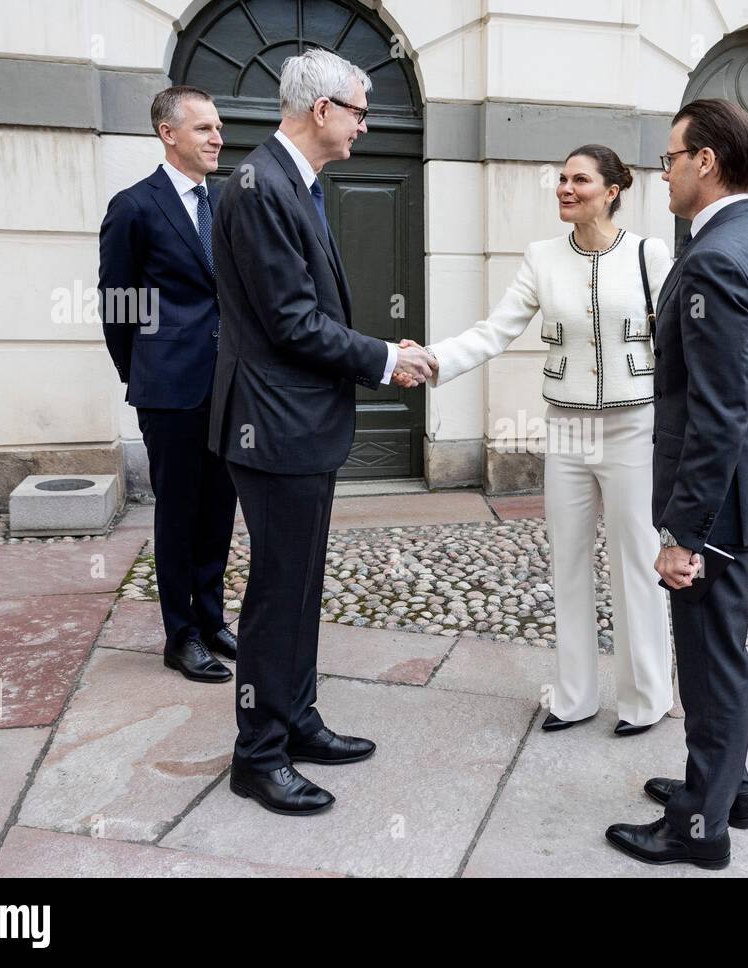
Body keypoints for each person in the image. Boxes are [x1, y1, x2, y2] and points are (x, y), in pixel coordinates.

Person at [207, 48, 435, 816]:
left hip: (296, 421)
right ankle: (258, 752)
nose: (366, 126)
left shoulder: (291, 183)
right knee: (277, 592)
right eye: (361, 111)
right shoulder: (260, 185)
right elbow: (291, 323)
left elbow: (304, 314)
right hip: (273, 427)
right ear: (322, 110)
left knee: (300, 586)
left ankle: (296, 718)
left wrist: (380, 350)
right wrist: (383, 359)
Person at [605, 99, 748, 869]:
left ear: (706, 162)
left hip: (720, 503)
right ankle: (731, 789)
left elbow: (717, 413)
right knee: (724, 649)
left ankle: (701, 828)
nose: (663, 172)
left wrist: (684, 534)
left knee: (713, 662)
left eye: (670, 159)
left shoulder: (718, 256)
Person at [417, 145, 674, 736]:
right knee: (569, 559)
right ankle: (574, 696)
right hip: (568, 426)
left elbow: (679, 340)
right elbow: (496, 329)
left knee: (637, 560)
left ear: (612, 190)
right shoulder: (541, 258)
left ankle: (646, 698)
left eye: (579, 180)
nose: (565, 188)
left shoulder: (647, 254)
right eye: (560, 179)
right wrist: (434, 360)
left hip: (634, 424)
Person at [98, 86, 238, 685]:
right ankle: (179, 636)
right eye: (204, 128)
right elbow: (119, 306)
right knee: (178, 513)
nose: (217, 139)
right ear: (168, 133)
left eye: (218, 128)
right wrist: (144, 375)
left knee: (219, 510)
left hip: (229, 387)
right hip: (168, 391)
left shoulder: (227, 203)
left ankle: (210, 619)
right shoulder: (133, 206)